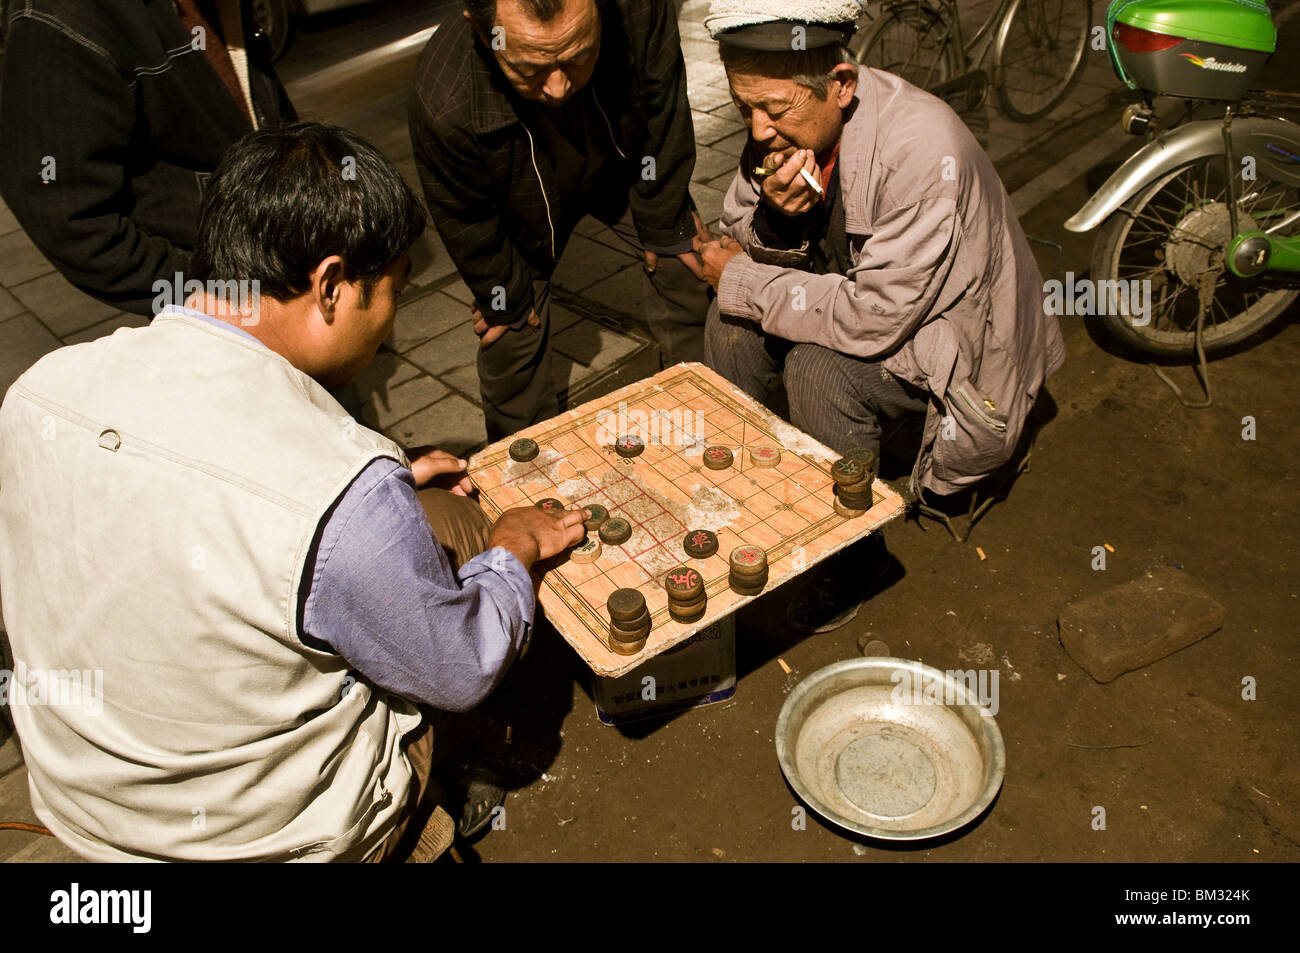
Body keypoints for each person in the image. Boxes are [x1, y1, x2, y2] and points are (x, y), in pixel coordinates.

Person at [0, 122, 586, 862]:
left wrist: (366, 501)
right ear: (332, 286)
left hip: (83, 807)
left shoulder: (40, 392)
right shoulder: (346, 486)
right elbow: (459, 665)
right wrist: (513, 545)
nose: (391, 330)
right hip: (263, 841)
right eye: (393, 294)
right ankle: (431, 800)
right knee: (469, 533)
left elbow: (191, 506)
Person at [695, 1, 1064, 503]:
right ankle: (740, 484)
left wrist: (740, 279)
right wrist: (777, 221)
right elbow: (735, 233)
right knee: (729, 323)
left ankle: (851, 548)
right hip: (856, 302)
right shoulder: (779, 130)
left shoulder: (925, 152)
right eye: (744, 108)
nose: (759, 130)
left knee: (815, 369)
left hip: (953, 343)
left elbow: (872, 316)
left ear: (842, 84)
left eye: (777, 110)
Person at [409, 0, 712, 442]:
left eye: (579, 56)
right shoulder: (444, 96)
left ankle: (708, 415)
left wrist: (666, 223)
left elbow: (664, 110)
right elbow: (468, 220)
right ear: (482, 32)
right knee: (510, 334)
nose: (557, 87)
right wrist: (502, 295)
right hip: (522, 200)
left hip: (620, 165)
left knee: (683, 262)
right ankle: (526, 474)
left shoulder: (638, 8)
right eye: (532, 69)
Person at [0, 0, 296, 316]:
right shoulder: (60, 15)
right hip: (227, 302)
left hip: (279, 268)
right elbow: (69, 220)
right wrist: (223, 297)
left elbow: (257, 103)